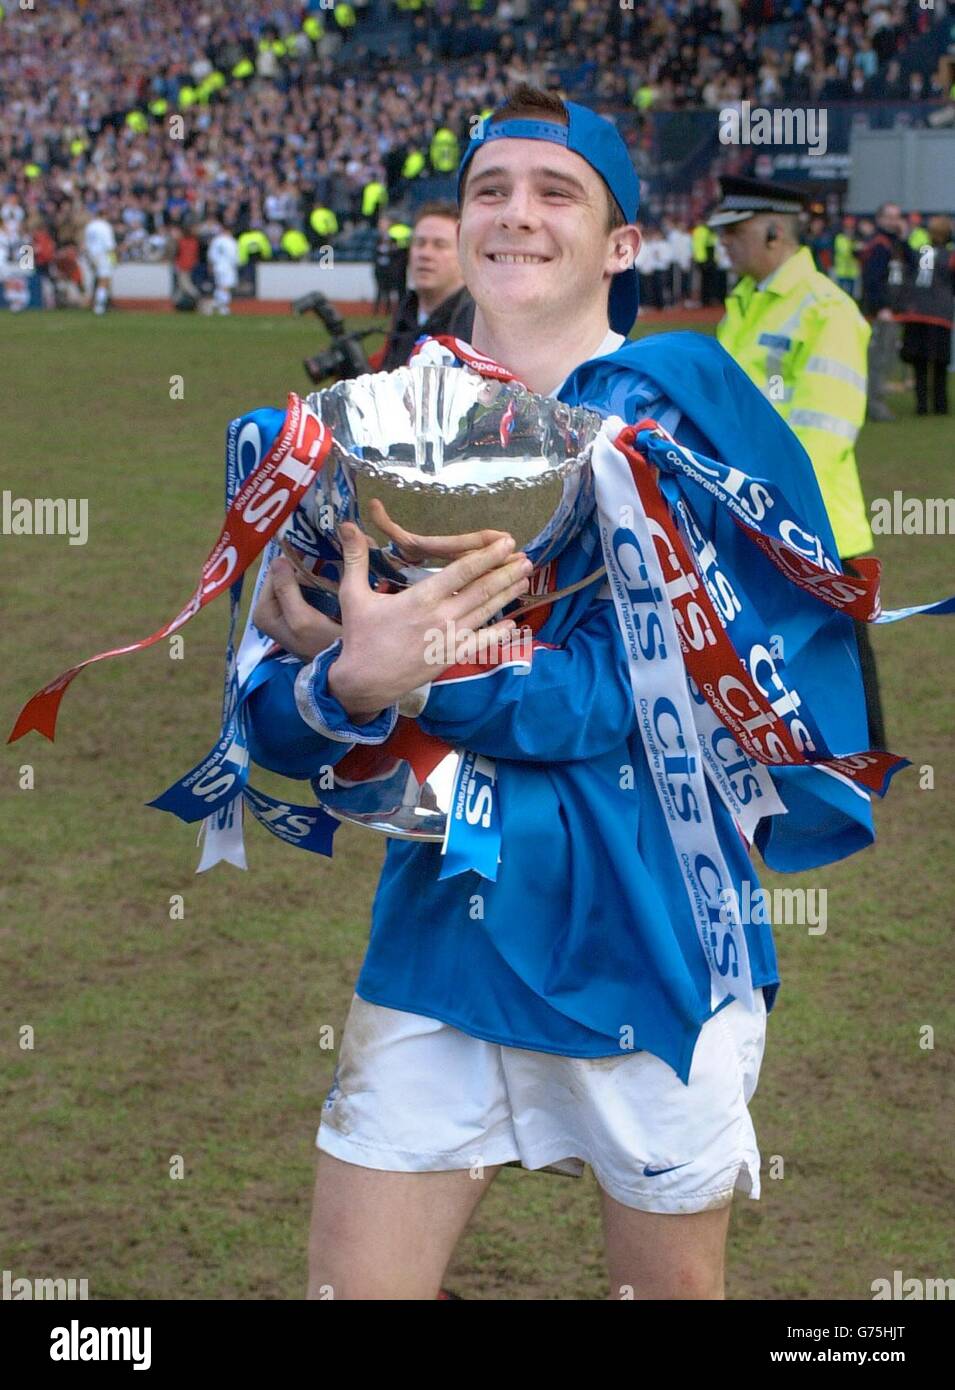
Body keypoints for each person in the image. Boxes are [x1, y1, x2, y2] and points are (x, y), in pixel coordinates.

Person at [243, 85, 880, 1300]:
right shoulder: (375, 427)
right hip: (444, 933)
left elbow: (612, 699)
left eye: (555, 193)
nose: (516, 214)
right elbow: (276, 716)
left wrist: (403, 673)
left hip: (651, 935)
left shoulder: (672, 415)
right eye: (489, 190)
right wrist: (341, 681)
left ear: (621, 242)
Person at [711, 174, 885, 750]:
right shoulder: (745, 303)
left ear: (774, 232)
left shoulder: (827, 310)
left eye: (734, 231)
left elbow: (824, 433)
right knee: (775, 668)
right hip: (754, 518)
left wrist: (753, 499)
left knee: (839, 677)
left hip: (813, 524)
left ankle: (859, 775)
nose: (723, 243)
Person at [378, 201, 475, 371]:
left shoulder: (475, 324)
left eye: (440, 245)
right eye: (420, 243)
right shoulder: (405, 313)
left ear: (465, 256)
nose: (425, 254)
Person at [896, 215, 955, 417]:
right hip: (940, 315)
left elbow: (909, 261)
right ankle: (940, 405)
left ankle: (921, 405)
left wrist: (903, 238)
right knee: (940, 363)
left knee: (919, 363)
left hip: (918, 312)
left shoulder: (923, 252)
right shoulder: (950, 256)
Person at [860, 201, 906, 422]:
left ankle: (875, 402)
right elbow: (872, 280)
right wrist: (881, 307)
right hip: (881, 312)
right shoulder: (879, 244)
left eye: (896, 217)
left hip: (892, 310)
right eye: (889, 217)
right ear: (879, 219)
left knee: (885, 358)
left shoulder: (893, 243)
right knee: (878, 359)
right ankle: (874, 405)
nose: (893, 221)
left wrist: (903, 237)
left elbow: (914, 261)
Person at [82, 209, 116, 316]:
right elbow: (109, 245)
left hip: (91, 255)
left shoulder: (90, 226)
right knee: (104, 280)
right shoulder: (105, 226)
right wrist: (113, 259)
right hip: (102, 255)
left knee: (96, 279)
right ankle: (100, 306)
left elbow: (86, 243)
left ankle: (93, 302)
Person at [206, 221, 239, 315]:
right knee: (225, 287)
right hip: (227, 267)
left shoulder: (216, 240)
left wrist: (211, 265)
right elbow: (234, 256)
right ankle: (214, 304)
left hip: (217, 266)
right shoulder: (231, 241)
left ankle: (223, 308)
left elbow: (211, 254)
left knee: (220, 286)